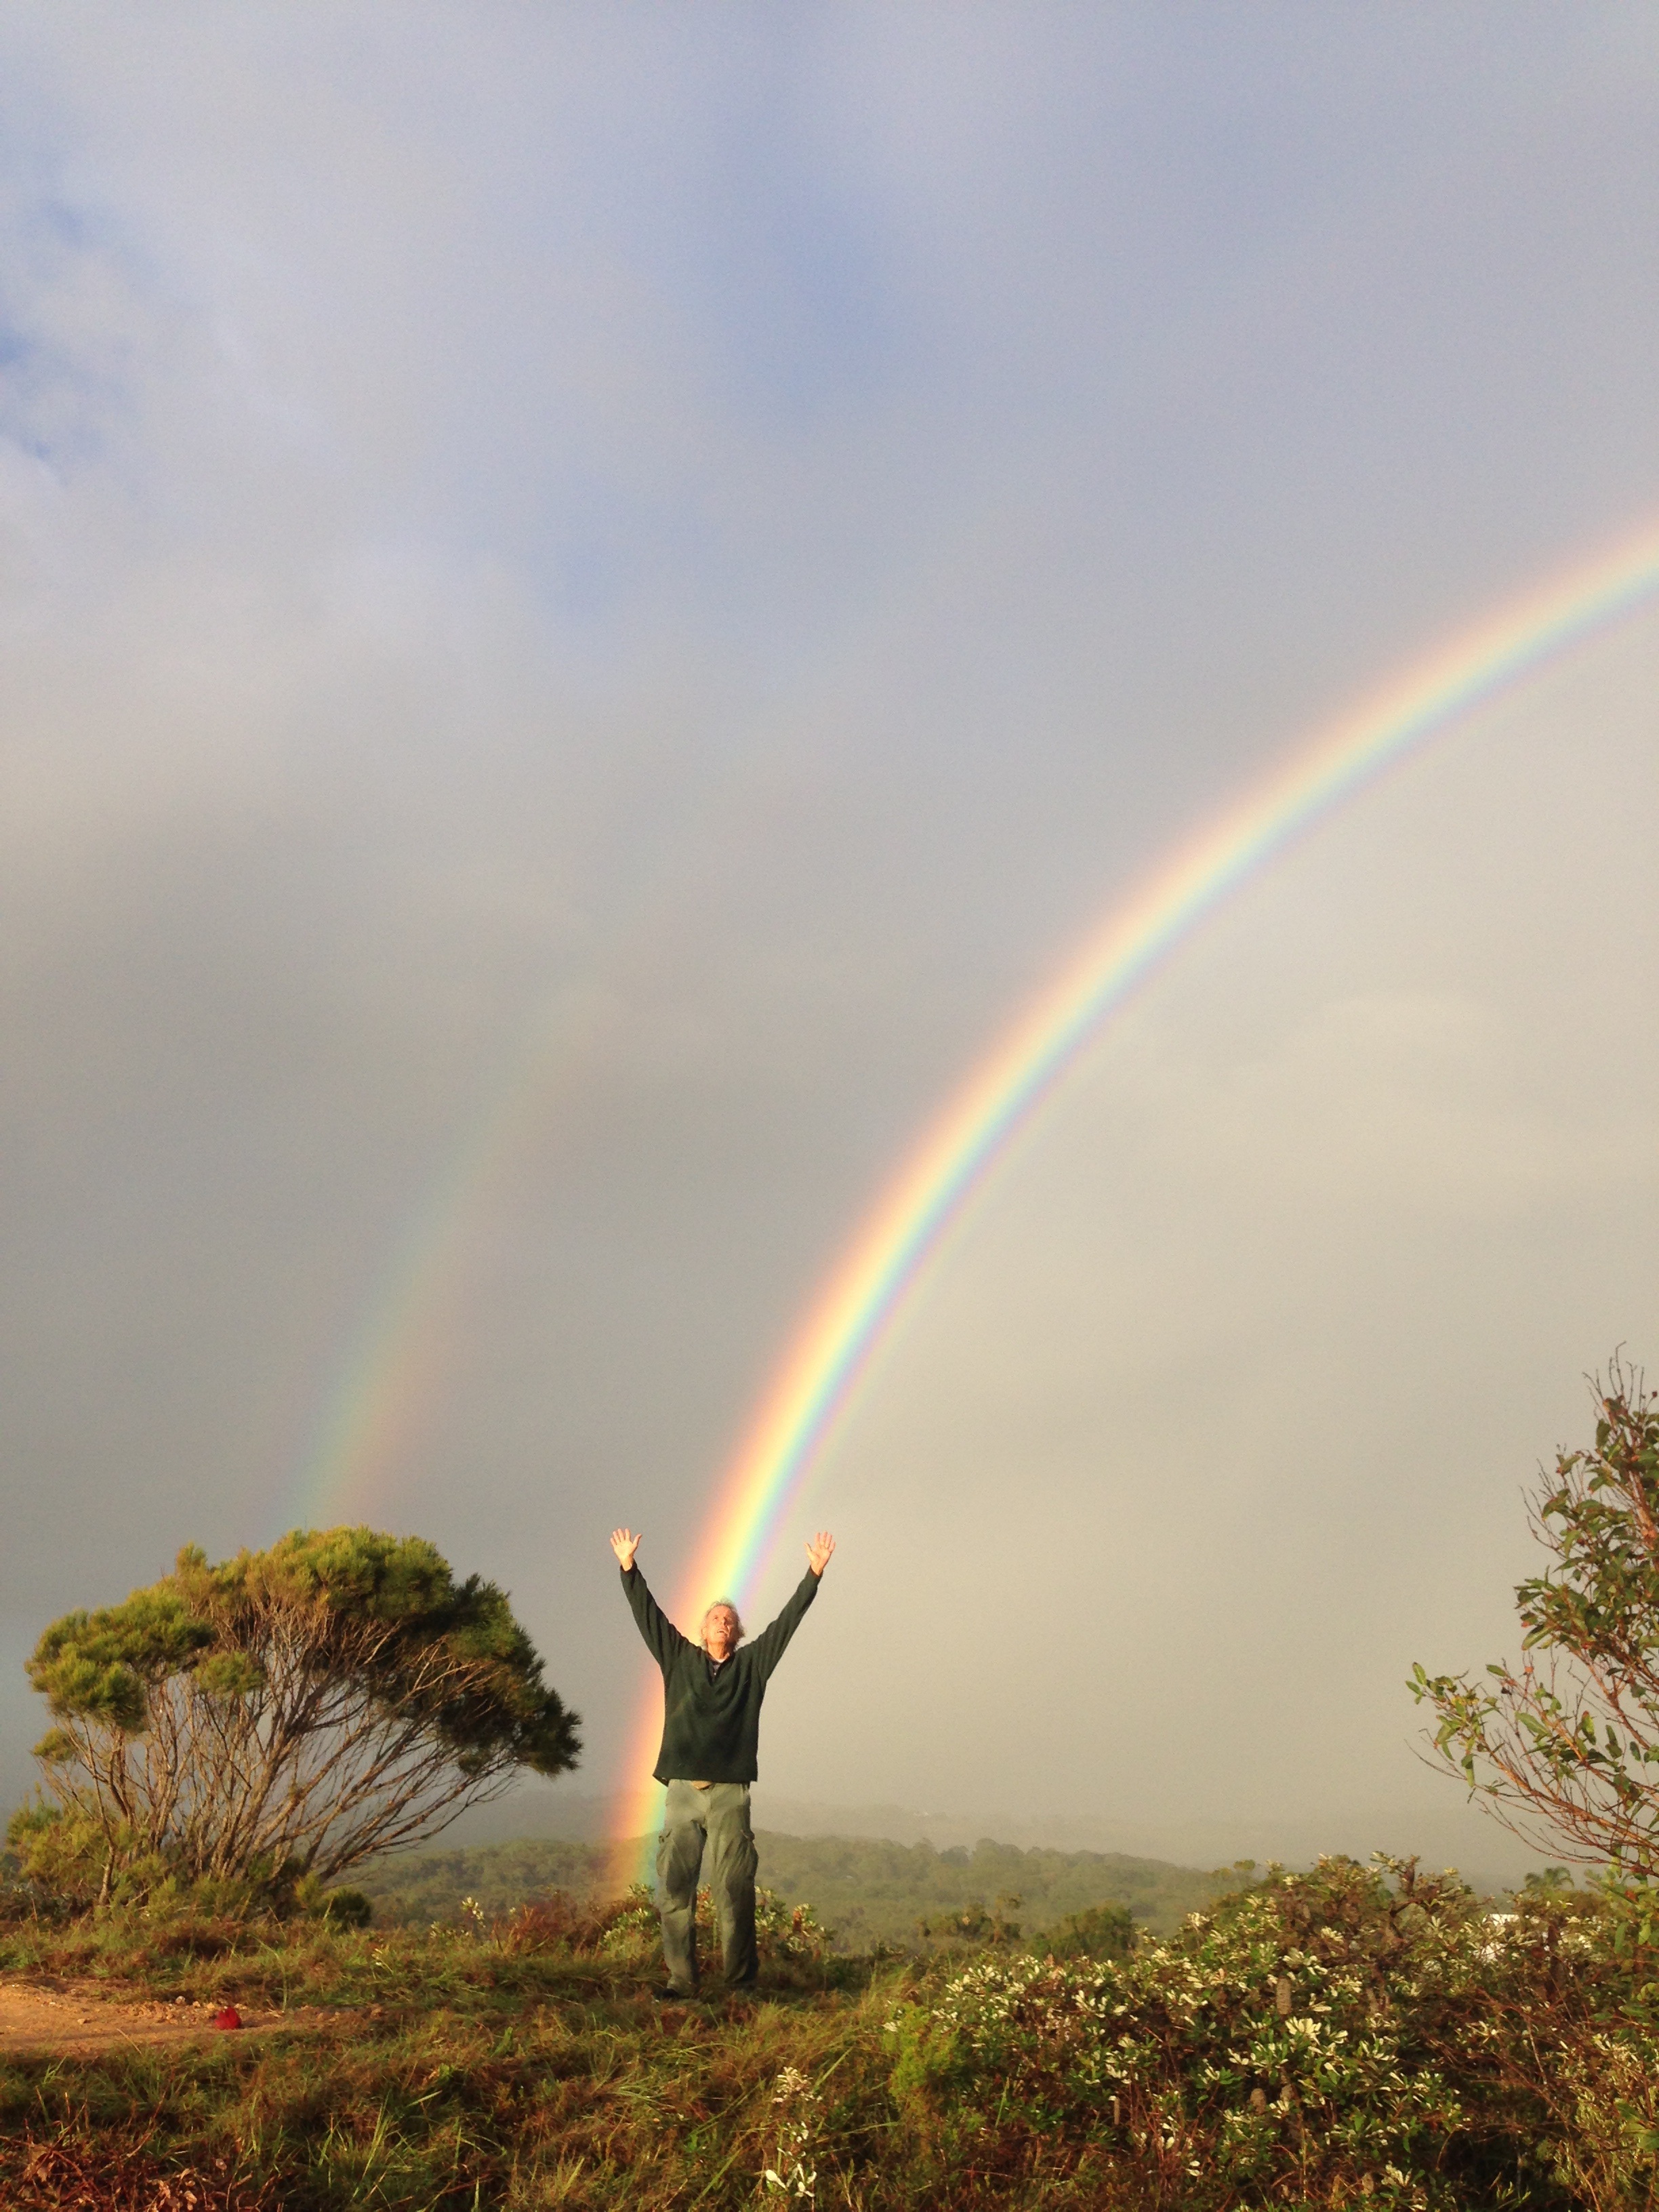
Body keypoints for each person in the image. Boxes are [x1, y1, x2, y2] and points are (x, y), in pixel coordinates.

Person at [610, 1523, 836, 1998]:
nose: (723, 1623)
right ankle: (681, 1980)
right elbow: (647, 1616)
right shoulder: (679, 1659)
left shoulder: (753, 1666)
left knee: (734, 1893)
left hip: (731, 1793)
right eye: (715, 1618)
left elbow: (785, 1625)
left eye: (729, 1620)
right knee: (674, 1890)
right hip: (682, 1794)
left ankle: (740, 1986)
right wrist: (629, 1567)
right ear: (702, 1628)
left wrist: (813, 1573)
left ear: (737, 1632)